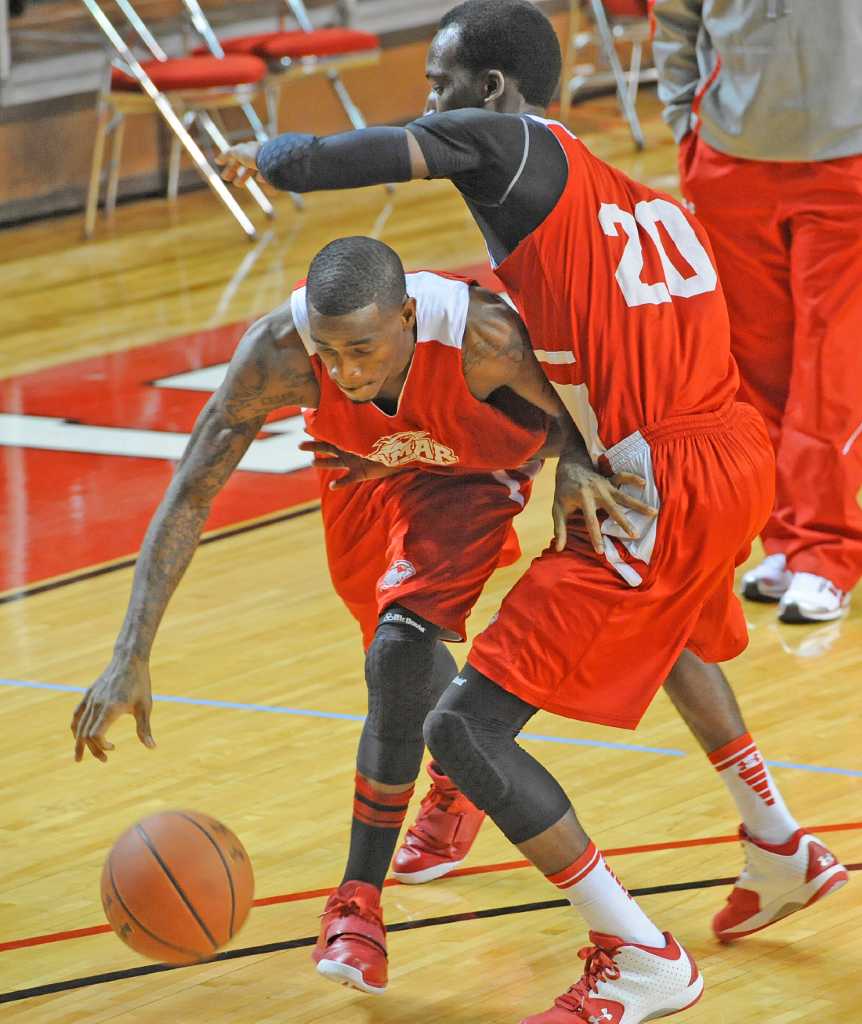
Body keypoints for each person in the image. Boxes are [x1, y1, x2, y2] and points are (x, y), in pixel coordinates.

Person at [217, 3, 850, 1021]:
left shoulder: (508, 143)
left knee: (461, 729)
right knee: (674, 627)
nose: (430, 105)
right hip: (728, 447)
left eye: (439, 84)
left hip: (664, 470)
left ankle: (637, 951)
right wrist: (585, 448)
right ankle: (777, 842)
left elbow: (366, 153)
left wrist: (276, 154)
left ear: (494, 91)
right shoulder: (617, 190)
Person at [71, 236, 654, 996]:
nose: (343, 371)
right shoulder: (276, 354)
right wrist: (131, 651)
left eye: (362, 350)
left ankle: (356, 905)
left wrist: (575, 456)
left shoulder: (483, 339)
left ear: (409, 316)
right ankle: (457, 769)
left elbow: (585, 403)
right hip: (361, 469)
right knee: (396, 665)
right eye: (330, 351)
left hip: (469, 471)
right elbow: (191, 488)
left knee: (397, 649)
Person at [652, 0, 862, 624]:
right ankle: (788, 542)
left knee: (830, 370)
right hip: (729, 161)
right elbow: (675, 20)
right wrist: (684, 123)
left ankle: (828, 554)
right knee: (756, 368)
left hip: (848, 158)